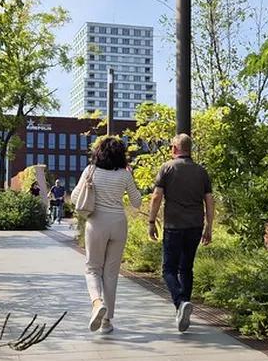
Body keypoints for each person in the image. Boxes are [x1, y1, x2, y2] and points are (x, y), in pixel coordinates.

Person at [148, 133, 214, 332]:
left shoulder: (167, 168)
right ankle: (183, 306)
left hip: (174, 226)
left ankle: (180, 302)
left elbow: (157, 196)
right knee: (186, 268)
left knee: (168, 269)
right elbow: (209, 200)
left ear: (175, 148)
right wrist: (209, 227)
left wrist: (151, 221)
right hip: (195, 225)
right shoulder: (201, 171)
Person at [80, 136, 141, 334]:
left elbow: (74, 197)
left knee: (92, 269)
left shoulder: (91, 171)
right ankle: (106, 322)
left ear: (99, 152)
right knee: (111, 273)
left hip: (97, 223)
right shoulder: (124, 175)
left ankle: (97, 304)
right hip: (118, 224)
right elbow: (137, 202)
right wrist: (129, 177)